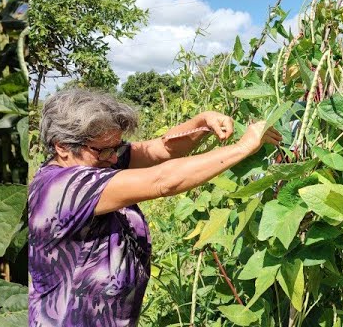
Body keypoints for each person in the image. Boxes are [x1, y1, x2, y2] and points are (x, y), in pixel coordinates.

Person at [28, 89, 281, 326]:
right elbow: (162, 181)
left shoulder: (97, 159)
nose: (115, 158)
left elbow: (159, 149)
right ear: (61, 146)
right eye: (104, 150)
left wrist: (203, 123)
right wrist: (244, 147)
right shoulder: (63, 188)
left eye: (116, 147)